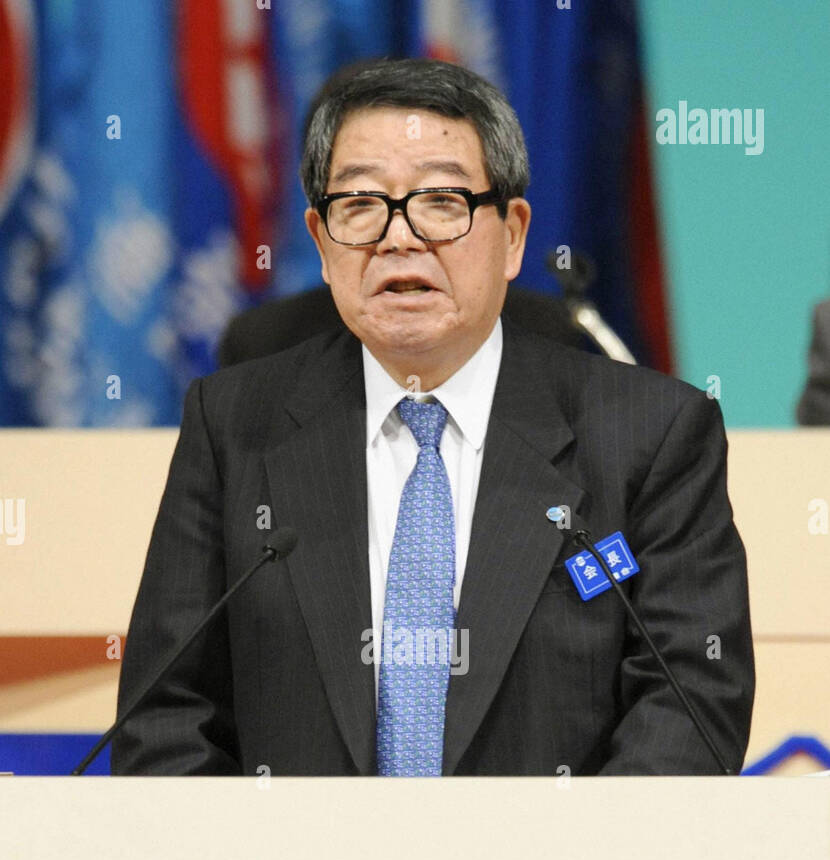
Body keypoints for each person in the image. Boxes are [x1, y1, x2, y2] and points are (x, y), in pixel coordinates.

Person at [111, 57, 754, 777]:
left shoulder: (652, 434)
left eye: (441, 200)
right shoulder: (233, 425)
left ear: (512, 235)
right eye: (359, 205)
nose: (399, 237)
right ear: (321, 244)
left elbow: (690, 704)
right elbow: (166, 717)